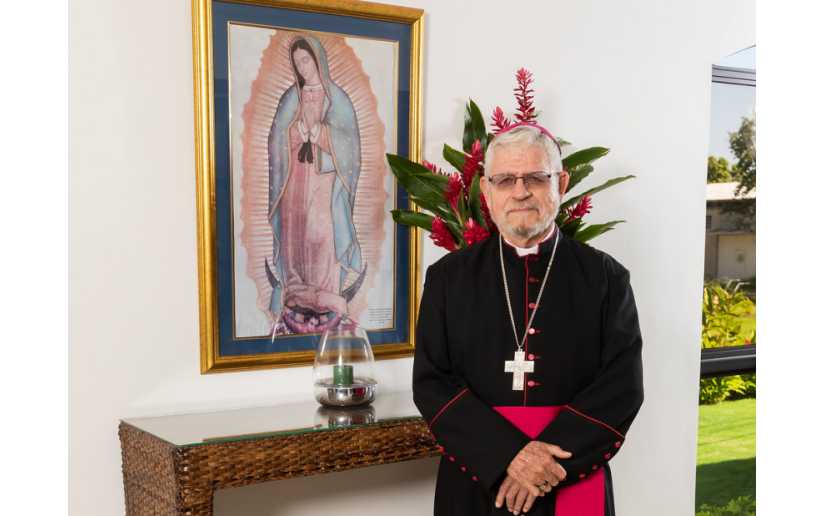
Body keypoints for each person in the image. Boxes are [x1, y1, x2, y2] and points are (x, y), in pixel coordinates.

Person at [412, 124, 644, 515]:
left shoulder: (605, 277)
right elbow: (431, 383)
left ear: (561, 183)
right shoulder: (448, 279)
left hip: (570, 472)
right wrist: (508, 455)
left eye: (536, 178)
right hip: (477, 478)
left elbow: (622, 386)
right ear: (486, 191)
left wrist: (544, 464)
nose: (520, 192)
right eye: (505, 180)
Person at [266, 35, 365, 335]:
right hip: (294, 180)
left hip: (324, 182)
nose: (303, 67)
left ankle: (325, 293)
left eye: (306, 60)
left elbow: (351, 147)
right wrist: (295, 134)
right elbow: (275, 140)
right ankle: (296, 290)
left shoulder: (338, 99)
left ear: (318, 59)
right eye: (297, 63)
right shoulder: (290, 98)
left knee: (321, 234)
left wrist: (321, 134)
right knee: (296, 233)